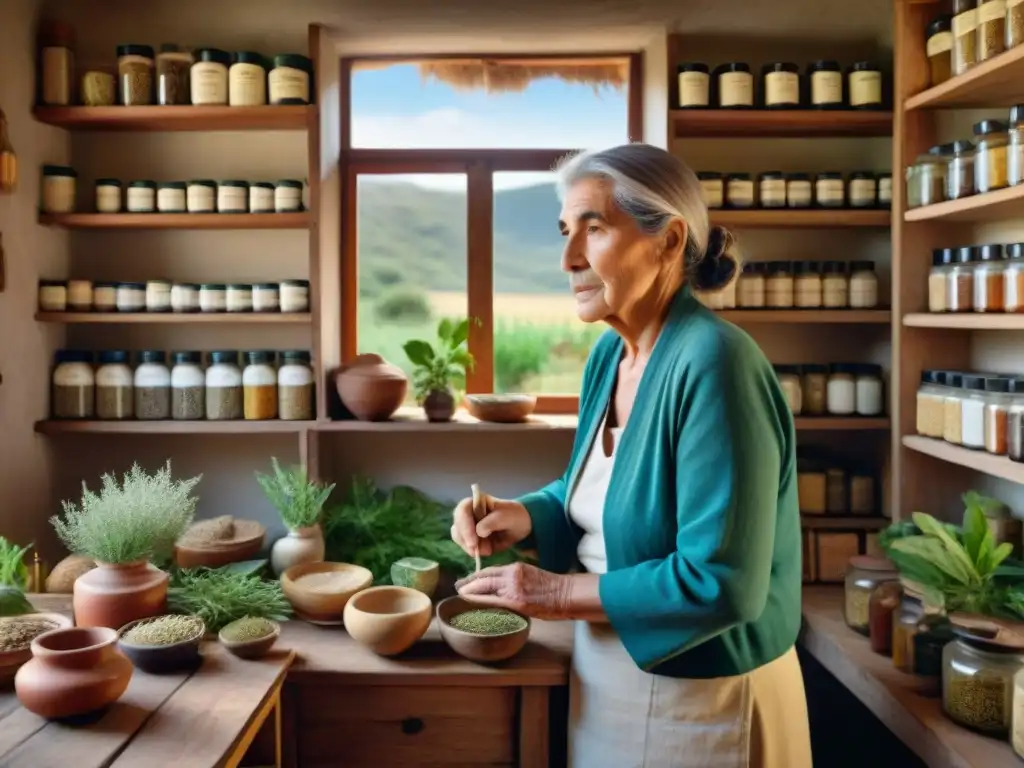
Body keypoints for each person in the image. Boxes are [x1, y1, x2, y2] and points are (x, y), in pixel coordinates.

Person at [451, 143, 811, 768]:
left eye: (593, 229)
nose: (569, 258)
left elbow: (721, 584)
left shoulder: (715, 364)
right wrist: (527, 515)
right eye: (565, 231)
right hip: (606, 676)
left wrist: (556, 594)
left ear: (668, 241)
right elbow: (601, 490)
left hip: (706, 699)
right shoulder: (609, 357)